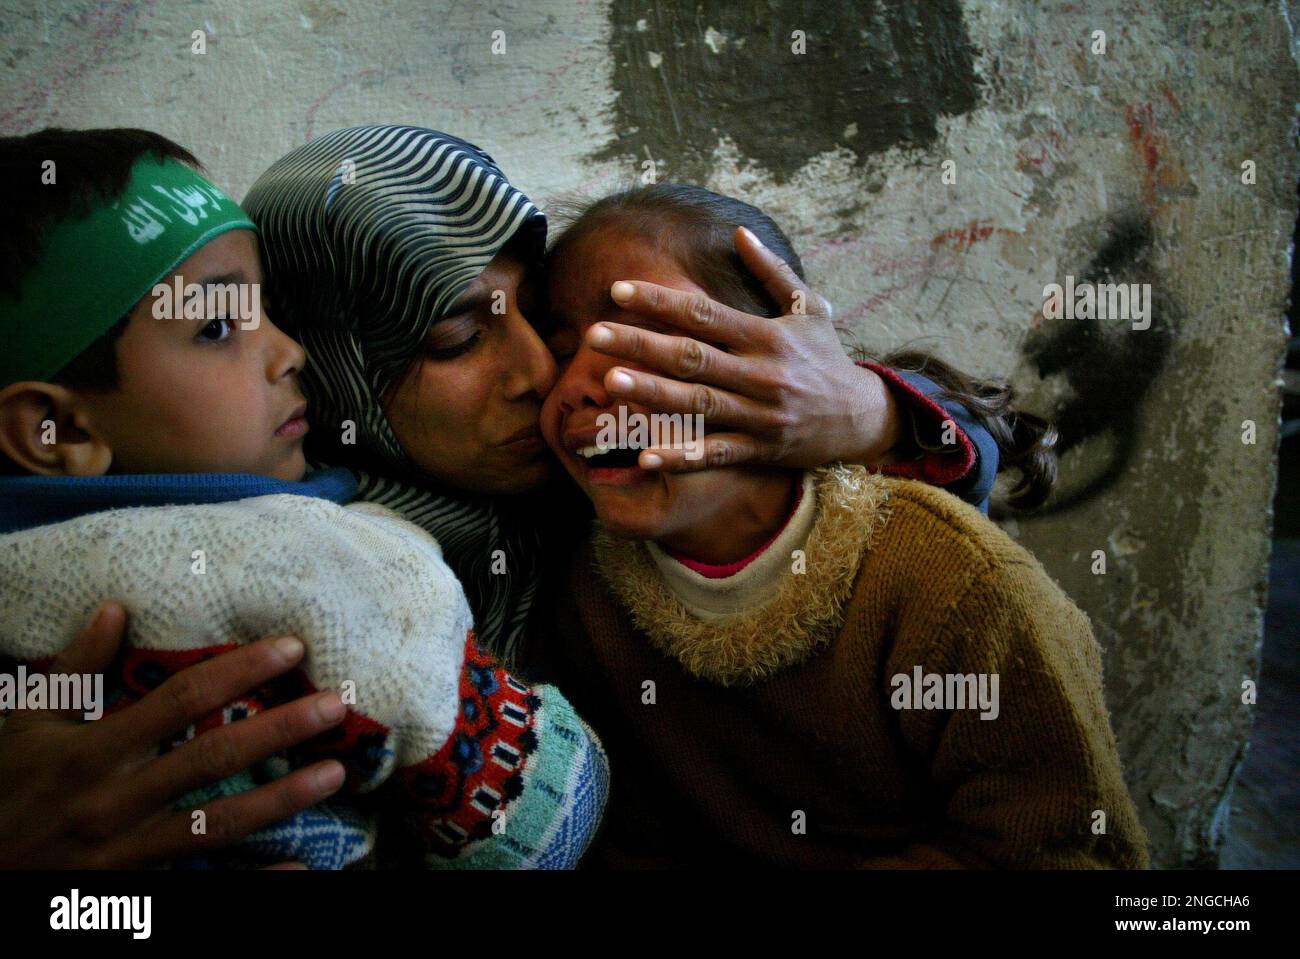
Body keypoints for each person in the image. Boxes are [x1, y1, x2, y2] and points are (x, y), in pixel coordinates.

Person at [0, 127, 607, 869]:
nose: (542, 371)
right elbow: (537, 818)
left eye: (541, 314)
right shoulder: (324, 561)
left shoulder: (618, 511)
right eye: (453, 332)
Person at [537, 183, 1151, 868]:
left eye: (643, 341)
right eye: (562, 351)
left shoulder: (953, 584)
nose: (583, 383)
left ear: (790, 365)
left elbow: (1065, 850)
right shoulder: (586, 588)